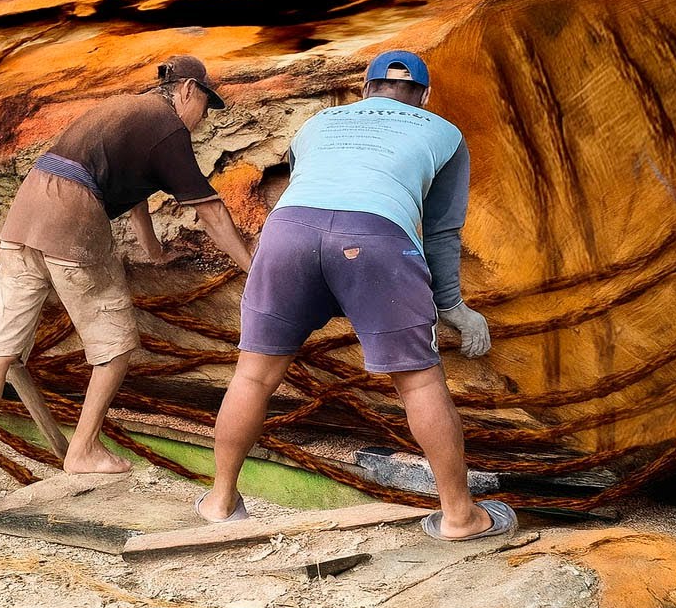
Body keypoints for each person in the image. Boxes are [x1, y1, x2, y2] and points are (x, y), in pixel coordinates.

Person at [196, 50, 513, 541]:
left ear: (364, 90)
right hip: (376, 237)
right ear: (424, 97)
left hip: (287, 234)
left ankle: (219, 502)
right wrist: (453, 307)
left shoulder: (318, 123)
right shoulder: (443, 133)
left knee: (254, 377)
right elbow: (443, 232)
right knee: (419, 384)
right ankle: (459, 517)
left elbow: (312, 190)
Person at [0, 56, 254, 509]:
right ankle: (82, 449)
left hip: (22, 219)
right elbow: (211, 210)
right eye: (206, 107)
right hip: (71, 221)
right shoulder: (167, 127)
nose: (203, 120)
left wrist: (154, 251)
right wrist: (251, 268)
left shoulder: (126, 113)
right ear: (188, 90)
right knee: (115, 348)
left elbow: (135, 195)